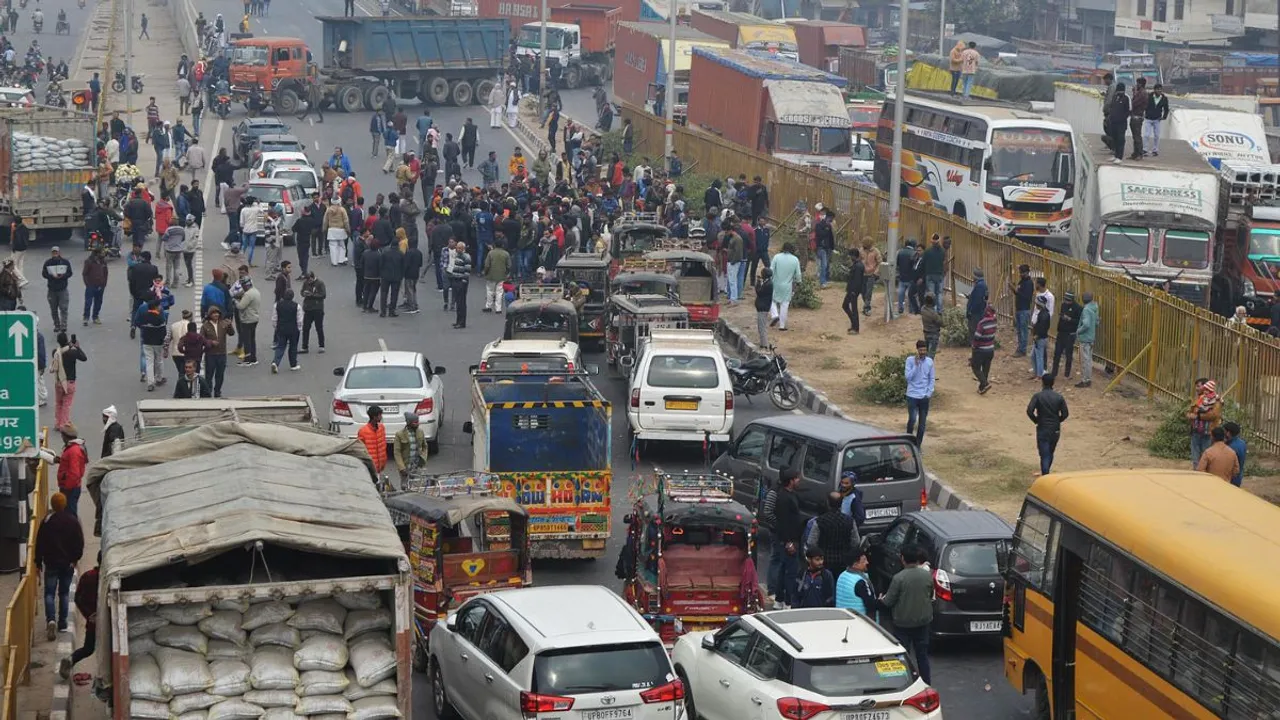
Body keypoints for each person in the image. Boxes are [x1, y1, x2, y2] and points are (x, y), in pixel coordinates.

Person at [880, 544, 934, 684]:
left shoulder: (899, 578)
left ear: (902, 559)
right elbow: (930, 594)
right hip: (923, 621)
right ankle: (926, 683)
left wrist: (882, 599)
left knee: (903, 655)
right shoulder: (926, 575)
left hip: (902, 623)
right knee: (922, 655)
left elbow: (889, 601)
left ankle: (905, 683)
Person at [35, 492, 83, 641]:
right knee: (63, 593)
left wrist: (38, 562)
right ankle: (62, 623)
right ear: (65, 504)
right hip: (67, 563)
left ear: (52, 505)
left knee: (49, 593)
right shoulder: (72, 521)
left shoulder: (47, 521)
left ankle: (51, 620)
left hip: (51, 563)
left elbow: (39, 542)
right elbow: (79, 542)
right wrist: (75, 559)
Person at [58, 554, 98, 680]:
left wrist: (89, 614)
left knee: (88, 648)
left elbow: (78, 598)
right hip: (107, 622)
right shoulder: (108, 578)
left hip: (93, 621)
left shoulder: (88, 576)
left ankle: (70, 660)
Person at [804, 492, 859, 580]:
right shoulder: (850, 521)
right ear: (841, 504)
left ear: (828, 503)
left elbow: (811, 542)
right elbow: (855, 542)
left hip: (825, 561)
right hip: (843, 561)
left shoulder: (820, 521)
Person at [1027, 373, 1069, 475]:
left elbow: (1029, 411)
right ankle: (1046, 472)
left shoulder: (1038, 396)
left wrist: (1036, 420)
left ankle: (1045, 474)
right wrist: (1058, 421)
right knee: (1050, 452)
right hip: (1055, 429)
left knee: (1044, 453)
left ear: (1042, 383)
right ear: (1053, 383)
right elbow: (1065, 414)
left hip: (1043, 427)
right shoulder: (1059, 397)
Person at [773, 468, 803, 608]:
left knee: (783, 569)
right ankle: (787, 602)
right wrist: (788, 542)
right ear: (791, 481)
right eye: (797, 478)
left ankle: (779, 600)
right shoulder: (784, 498)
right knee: (790, 572)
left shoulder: (791, 495)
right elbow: (783, 522)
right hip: (790, 540)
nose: (799, 481)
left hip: (791, 539)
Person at [49, 332, 86, 431]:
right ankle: (63, 424)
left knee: (59, 403)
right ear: (67, 340)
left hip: (59, 382)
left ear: (58, 342)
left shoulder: (56, 353)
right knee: (67, 404)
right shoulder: (72, 352)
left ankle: (57, 423)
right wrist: (77, 347)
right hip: (70, 382)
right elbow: (84, 358)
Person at [904, 340, 935, 446]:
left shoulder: (930, 362)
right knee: (912, 420)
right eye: (921, 350)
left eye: (924, 350)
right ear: (917, 350)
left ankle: (917, 445)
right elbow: (908, 377)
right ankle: (907, 442)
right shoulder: (910, 360)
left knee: (922, 424)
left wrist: (929, 393)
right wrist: (916, 366)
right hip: (912, 395)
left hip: (924, 396)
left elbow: (931, 378)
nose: (923, 352)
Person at [835, 549, 881, 619]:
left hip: (842, 618)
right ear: (855, 564)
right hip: (859, 621)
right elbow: (871, 605)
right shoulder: (860, 582)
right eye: (864, 560)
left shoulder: (842, 575)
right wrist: (881, 601)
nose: (867, 562)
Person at [1187, 378, 1221, 469]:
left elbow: (1214, 415)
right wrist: (1189, 415)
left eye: (1199, 386)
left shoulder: (1215, 400)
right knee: (1195, 459)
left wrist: (1198, 416)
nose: (1197, 389)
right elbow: (1191, 410)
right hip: (1196, 431)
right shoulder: (1199, 398)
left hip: (1208, 433)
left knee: (1206, 458)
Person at [200, 306, 234, 397]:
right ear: (210, 315)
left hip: (222, 353)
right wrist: (210, 342)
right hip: (210, 354)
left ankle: (217, 391)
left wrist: (230, 325)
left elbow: (231, 333)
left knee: (220, 375)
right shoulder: (205, 326)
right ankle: (208, 391)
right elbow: (201, 340)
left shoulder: (223, 323)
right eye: (214, 313)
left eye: (217, 313)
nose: (216, 314)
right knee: (209, 375)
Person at [54, 424, 87, 516]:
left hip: (70, 488)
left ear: (65, 436)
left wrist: (67, 488)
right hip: (70, 486)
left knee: (69, 514)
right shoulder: (73, 448)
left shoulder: (73, 451)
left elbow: (74, 473)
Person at [769, 242, 801, 331]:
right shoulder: (795, 259)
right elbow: (798, 274)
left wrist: (768, 279)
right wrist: (798, 282)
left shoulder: (776, 257)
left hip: (776, 283)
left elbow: (771, 270)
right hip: (787, 285)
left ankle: (775, 315)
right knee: (784, 304)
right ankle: (782, 326)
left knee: (771, 300)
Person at [1051, 291, 1082, 378]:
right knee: (1057, 354)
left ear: (1072, 300)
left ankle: (1067, 374)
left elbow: (1079, 322)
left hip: (1070, 334)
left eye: (1068, 300)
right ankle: (1054, 373)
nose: (1066, 302)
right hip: (1061, 332)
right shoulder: (1063, 305)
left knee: (1068, 355)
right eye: (1065, 300)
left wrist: (1069, 319)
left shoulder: (1078, 308)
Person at [270, 288, 302, 373]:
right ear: (292, 296)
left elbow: (274, 318)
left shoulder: (277, 305)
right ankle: (293, 364)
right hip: (293, 329)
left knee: (280, 346)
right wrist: (299, 329)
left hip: (281, 329)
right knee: (293, 347)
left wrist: (276, 327)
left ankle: (275, 362)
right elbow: (299, 320)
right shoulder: (297, 306)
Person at [42, 246, 73, 333]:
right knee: (53, 309)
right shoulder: (48, 263)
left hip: (62, 289)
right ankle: (56, 325)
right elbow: (44, 274)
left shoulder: (65, 262)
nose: (55, 254)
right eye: (53, 252)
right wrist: (51, 276)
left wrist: (63, 276)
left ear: (59, 253)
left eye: (56, 252)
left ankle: (63, 325)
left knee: (64, 308)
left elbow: (70, 273)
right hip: (52, 289)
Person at [393, 412, 429, 488]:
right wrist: (402, 468)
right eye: (415, 423)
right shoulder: (399, 434)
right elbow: (397, 452)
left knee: (417, 487)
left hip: (417, 466)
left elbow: (425, 446)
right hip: (405, 467)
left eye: (417, 422)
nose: (417, 424)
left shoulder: (420, 432)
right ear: (409, 423)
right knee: (405, 487)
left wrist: (423, 458)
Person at [233, 276, 261, 366]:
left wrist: (235, 301)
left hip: (247, 319)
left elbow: (241, 306)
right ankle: (253, 358)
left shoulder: (248, 294)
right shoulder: (256, 291)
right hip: (254, 318)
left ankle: (247, 359)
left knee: (246, 340)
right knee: (252, 339)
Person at [1075, 292, 1098, 388]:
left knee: (1085, 360)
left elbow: (1086, 324)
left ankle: (1085, 380)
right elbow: (1096, 322)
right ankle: (1088, 379)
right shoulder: (1094, 308)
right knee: (1088, 360)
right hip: (1091, 337)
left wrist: (1078, 331)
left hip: (1085, 338)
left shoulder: (1086, 310)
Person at [358, 405, 388, 477]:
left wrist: (383, 461)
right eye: (379, 415)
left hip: (380, 467)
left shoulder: (381, 428)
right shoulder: (363, 431)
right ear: (374, 417)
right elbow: (360, 449)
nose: (381, 417)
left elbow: (383, 445)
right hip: (370, 467)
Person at [300, 272, 326, 354]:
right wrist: (304, 293)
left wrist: (312, 295)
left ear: (313, 277)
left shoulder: (320, 283)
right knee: (305, 328)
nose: (308, 282)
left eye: (309, 280)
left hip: (317, 309)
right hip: (308, 309)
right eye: (307, 280)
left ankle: (321, 346)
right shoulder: (306, 283)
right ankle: (304, 347)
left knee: (319, 328)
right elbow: (302, 291)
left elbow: (323, 295)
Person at [1010, 264, 1033, 356]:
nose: (1020, 274)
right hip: (1019, 309)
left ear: (1027, 272)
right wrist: (1014, 290)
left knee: (1023, 331)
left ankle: (1022, 350)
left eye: (1022, 272)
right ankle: (1020, 348)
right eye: (1020, 272)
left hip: (1024, 310)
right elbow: (1018, 293)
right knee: (1019, 330)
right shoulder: (1021, 282)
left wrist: (1015, 291)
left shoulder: (1029, 283)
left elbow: (1026, 297)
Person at [81, 248, 108, 326]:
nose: (103, 254)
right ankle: (86, 317)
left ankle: (95, 317)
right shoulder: (89, 261)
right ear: (97, 254)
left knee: (98, 302)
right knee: (88, 302)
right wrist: (87, 284)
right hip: (91, 286)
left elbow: (105, 273)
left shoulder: (103, 262)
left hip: (101, 286)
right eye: (101, 253)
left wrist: (104, 283)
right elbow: (84, 273)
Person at [449, 240, 472, 328]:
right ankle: (458, 321)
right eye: (457, 247)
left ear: (463, 248)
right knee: (458, 302)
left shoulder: (466, 257)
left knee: (461, 303)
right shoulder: (457, 255)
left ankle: (462, 322)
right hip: (455, 280)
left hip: (461, 282)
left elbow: (467, 271)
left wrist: (463, 282)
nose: (457, 249)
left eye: (459, 248)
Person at [482, 239, 510, 313]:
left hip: (491, 275)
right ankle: (498, 308)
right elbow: (509, 266)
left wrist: (485, 272)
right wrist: (506, 273)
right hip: (501, 275)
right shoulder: (506, 254)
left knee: (490, 291)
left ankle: (488, 306)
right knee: (499, 292)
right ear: (502, 245)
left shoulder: (491, 253)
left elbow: (487, 265)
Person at [843, 247, 864, 334]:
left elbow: (857, 280)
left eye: (851, 256)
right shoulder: (856, 264)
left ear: (854, 256)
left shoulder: (858, 266)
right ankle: (853, 324)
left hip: (853, 291)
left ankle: (856, 328)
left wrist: (854, 291)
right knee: (845, 306)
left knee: (854, 309)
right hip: (851, 290)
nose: (850, 258)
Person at [1144, 83, 1169, 156]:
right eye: (1158, 89)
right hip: (1148, 118)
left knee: (1157, 135)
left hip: (1157, 119)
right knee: (1146, 135)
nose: (1159, 91)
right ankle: (1144, 149)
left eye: (1160, 89)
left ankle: (1155, 150)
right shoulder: (1149, 96)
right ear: (1154, 90)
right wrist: (1144, 113)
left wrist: (1164, 117)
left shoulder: (1164, 98)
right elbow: (1145, 105)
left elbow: (1166, 109)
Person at [1106, 83, 1129, 162]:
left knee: (1120, 140)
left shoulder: (1126, 99)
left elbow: (1127, 111)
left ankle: (1119, 157)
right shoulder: (1115, 97)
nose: (1119, 92)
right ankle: (1115, 155)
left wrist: (1121, 118)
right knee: (1114, 139)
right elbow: (1112, 108)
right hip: (1113, 122)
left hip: (1121, 124)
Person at [1031, 294, 1051, 379]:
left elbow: (1042, 328)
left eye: (1037, 304)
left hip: (1040, 338)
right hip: (1040, 338)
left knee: (1039, 357)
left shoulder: (1044, 315)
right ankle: (1037, 373)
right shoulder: (1043, 313)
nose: (1036, 305)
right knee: (1033, 355)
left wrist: (1037, 335)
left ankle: (1039, 375)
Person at [923, 234, 945, 312]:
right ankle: (939, 310)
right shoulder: (942, 251)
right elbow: (943, 261)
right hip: (939, 275)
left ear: (931, 241)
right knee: (939, 293)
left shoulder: (927, 251)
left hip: (930, 274)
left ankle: (933, 310)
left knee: (931, 293)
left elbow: (923, 262)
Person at [1129, 77, 1148, 160]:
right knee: (1135, 136)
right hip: (1135, 116)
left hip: (1137, 117)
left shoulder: (1142, 93)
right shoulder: (1140, 92)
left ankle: (1139, 154)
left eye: (1138, 83)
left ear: (1141, 84)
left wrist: (1134, 92)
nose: (1136, 85)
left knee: (1137, 136)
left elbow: (1134, 103)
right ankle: (1135, 153)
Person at [965, 266, 987, 338]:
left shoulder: (980, 286)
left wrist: (970, 311)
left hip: (975, 315)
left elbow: (978, 302)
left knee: (974, 333)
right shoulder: (982, 285)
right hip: (979, 313)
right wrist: (971, 297)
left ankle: (975, 348)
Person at [754, 268, 773, 347]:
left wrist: (758, 283)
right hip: (762, 307)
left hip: (763, 308)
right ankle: (763, 343)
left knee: (762, 327)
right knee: (761, 326)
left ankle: (764, 344)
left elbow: (759, 292)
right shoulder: (767, 282)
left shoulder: (768, 284)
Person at [1224, 421, 1246, 488]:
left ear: (1228, 433)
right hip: (1239, 475)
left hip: (1231, 477)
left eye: (1224, 431)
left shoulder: (1231, 447)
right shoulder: (1242, 443)